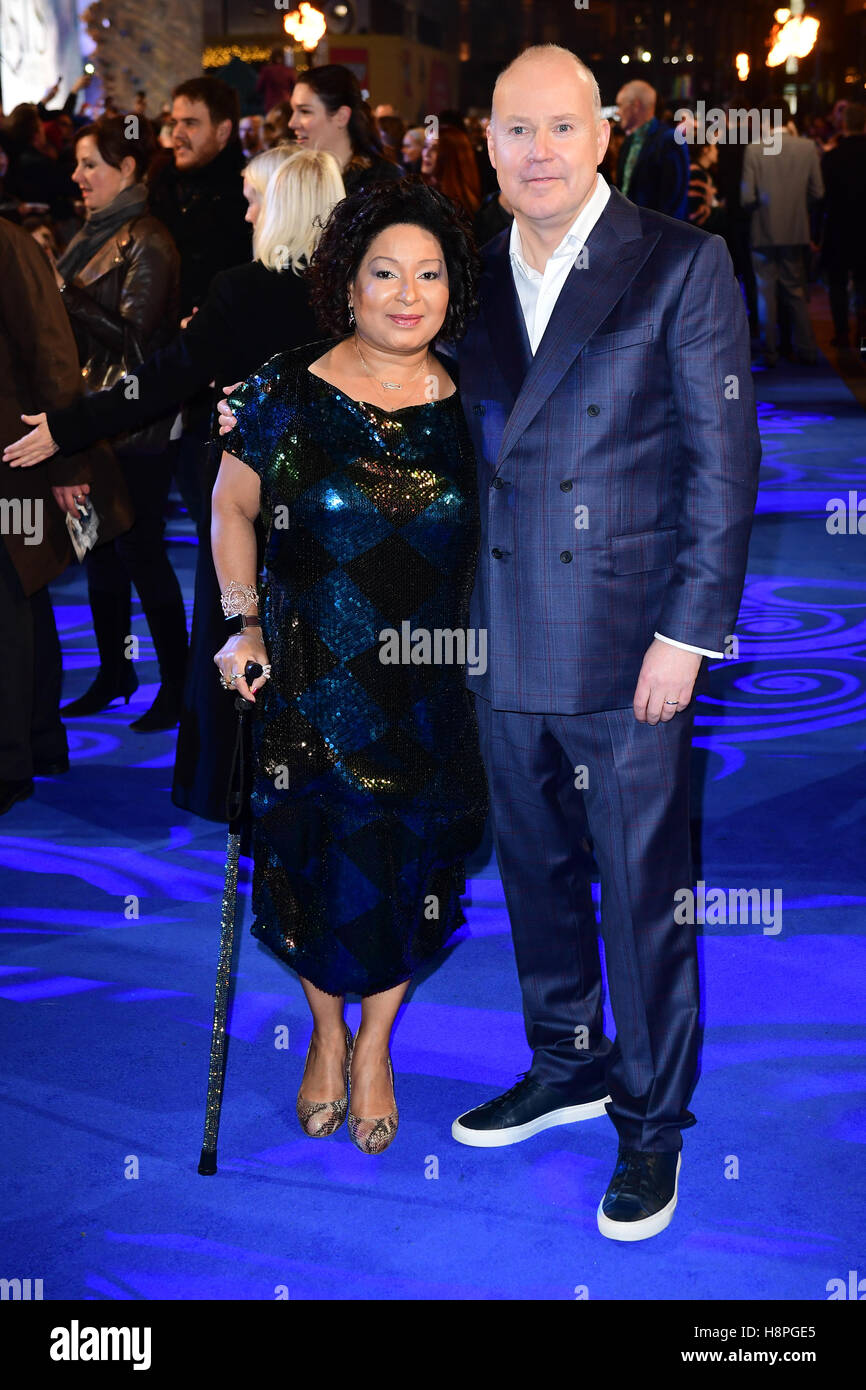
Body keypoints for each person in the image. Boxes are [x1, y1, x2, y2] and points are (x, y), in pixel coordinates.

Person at [448, 45, 760, 1240]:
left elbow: (717, 470)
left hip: (632, 644)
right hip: (500, 639)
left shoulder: (679, 264)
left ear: (601, 138)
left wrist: (687, 634)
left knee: (641, 898)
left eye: (559, 129)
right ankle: (566, 1058)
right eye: (514, 131)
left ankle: (650, 1120)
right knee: (530, 873)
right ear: (485, 145)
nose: (536, 153)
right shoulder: (467, 283)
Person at [212, 179, 487, 1154]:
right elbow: (230, 508)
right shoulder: (284, 387)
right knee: (310, 868)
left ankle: (375, 1043)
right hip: (306, 680)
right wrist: (242, 628)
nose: (407, 294)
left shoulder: (476, 406)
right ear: (347, 283)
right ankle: (324, 1033)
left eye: (428, 274)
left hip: (430, 692)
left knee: (408, 869)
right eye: (385, 273)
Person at [4, 149, 343, 819]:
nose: (246, 212)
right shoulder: (362, 292)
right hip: (343, 508)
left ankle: (241, 785)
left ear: (284, 206)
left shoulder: (244, 291)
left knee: (242, 634)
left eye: (255, 198)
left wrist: (70, 426)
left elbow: (154, 382)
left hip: (250, 504)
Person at [32, 114, 185, 731]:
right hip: (91, 422)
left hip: (137, 427)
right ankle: (113, 671)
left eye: (90, 163)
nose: (77, 175)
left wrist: (61, 291)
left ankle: (174, 684)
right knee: (96, 551)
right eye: (77, 164)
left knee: (142, 552)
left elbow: (137, 344)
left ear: (126, 171)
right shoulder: (91, 233)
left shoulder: (149, 239)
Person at [0, 218, 129, 814]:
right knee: (22, 595)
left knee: (12, 597)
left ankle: (12, 760)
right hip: (23, 455)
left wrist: (66, 461)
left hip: (22, 453)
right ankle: (40, 744)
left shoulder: (8, 243)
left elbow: (51, 350)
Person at [741, 98, 824, 366]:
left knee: (766, 292)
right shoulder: (807, 147)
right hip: (796, 229)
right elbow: (818, 192)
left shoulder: (754, 149)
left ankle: (770, 352)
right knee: (796, 291)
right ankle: (806, 350)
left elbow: (746, 198)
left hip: (763, 230)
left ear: (766, 119)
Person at [288, 64, 404, 195]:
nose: (292, 123)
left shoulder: (383, 185)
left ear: (341, 116)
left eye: (305, 111)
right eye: (293, 110)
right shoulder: (294, 178)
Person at [820, 102, 866, 350]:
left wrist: (817, 232)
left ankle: (842, 334)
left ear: (844, 124)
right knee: (863, 285)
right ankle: (863, 338)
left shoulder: (832, 157)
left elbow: (822, 197)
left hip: (839, 228)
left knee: (837, 284)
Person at [615, 79, 689, 219]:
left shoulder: (670, 140)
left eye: (620, 105)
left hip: (659, 234)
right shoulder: (628, 142)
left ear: (635, 106)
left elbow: (674, 198)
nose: (618, 112)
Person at [423, 124, 482, 218]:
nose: (426, 154)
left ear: (450, 156)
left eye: (435, 149)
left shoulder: (458, 206)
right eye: (425, 146)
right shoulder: (422, 189)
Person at [256, 47, 295, 115]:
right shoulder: (288, 70)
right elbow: (294, 86)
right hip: (286, 102)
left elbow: (259, 88)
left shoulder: (267, 70)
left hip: (271, 104)